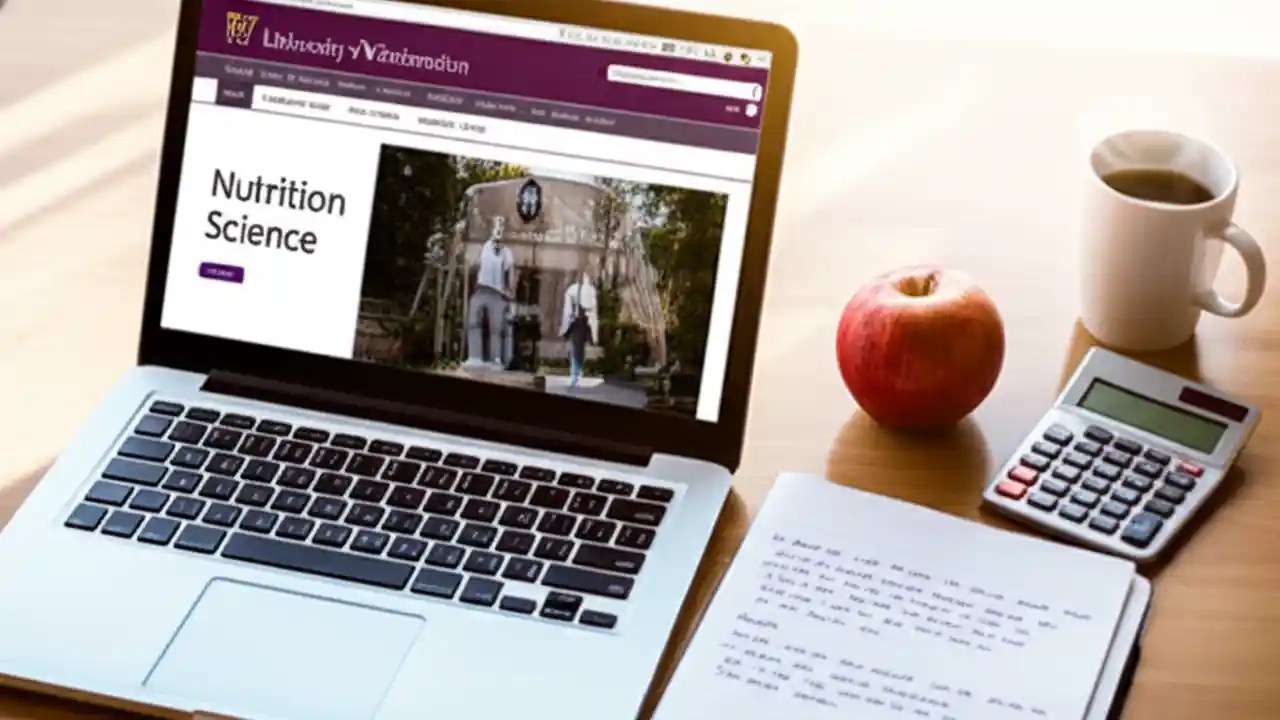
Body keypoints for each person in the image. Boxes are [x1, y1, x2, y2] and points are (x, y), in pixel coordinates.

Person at [464, 216, 515, 370]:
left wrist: (511, 291)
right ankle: (475, 356)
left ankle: (496, 359)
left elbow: (511, 271)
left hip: (497, 291)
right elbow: (474, 266)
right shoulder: (483, 247)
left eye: (502, 226)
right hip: (481, 288)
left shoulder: (507, 252)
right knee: (474, 320)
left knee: (496, 326)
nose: (499, 229)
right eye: (496, 225)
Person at [559, 271, 599, 388]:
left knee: (576, 348)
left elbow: (567, 311)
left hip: (577, 322)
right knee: (580, 349)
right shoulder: (591, 291)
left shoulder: (571, 290)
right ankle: (577, 372)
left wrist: (564, 326)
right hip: (586, 323)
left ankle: (575, 374)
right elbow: (593, 311)